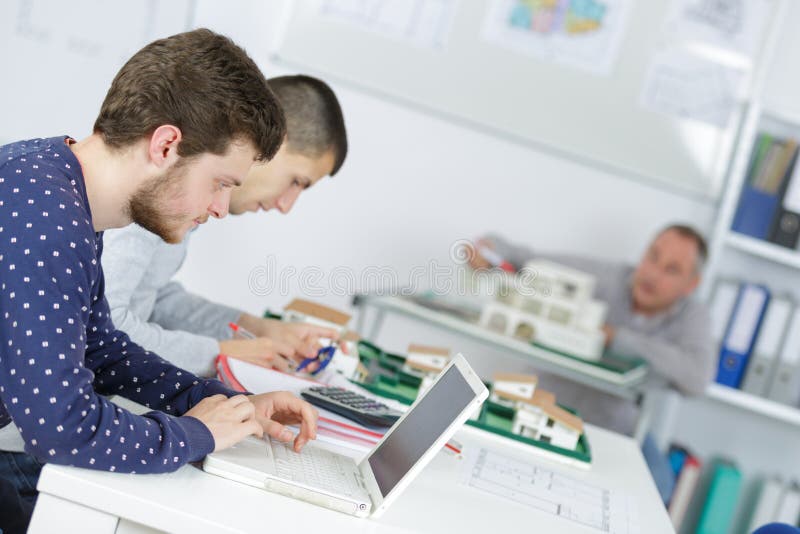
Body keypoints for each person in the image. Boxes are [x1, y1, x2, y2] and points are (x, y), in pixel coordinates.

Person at [0, 29, 319, 533]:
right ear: (166, 145)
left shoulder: (60, 187)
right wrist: (194, 434)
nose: (219, 208)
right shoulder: (49, 218)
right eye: (220, 183)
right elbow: (60, 428)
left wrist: (221, 404)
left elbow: (99, 349)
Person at [101, 75, 348, 377]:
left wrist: (255, 329)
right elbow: (107, 328)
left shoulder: (191, 193)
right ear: (271, 140)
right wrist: (220, 353)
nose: (286, 206)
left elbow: (151, 297)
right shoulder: (157, 191)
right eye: (296, 181)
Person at [471, 224, 714, 435]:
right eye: (653, 256)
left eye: (671, 269)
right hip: (539, 407)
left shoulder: (693, 316)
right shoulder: (606, 277)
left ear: (691, 284)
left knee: (658, 479)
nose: (653, 274)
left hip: (612, 430)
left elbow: (697, 378)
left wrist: (616, 338)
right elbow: (523, 260)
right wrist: (490, 249)